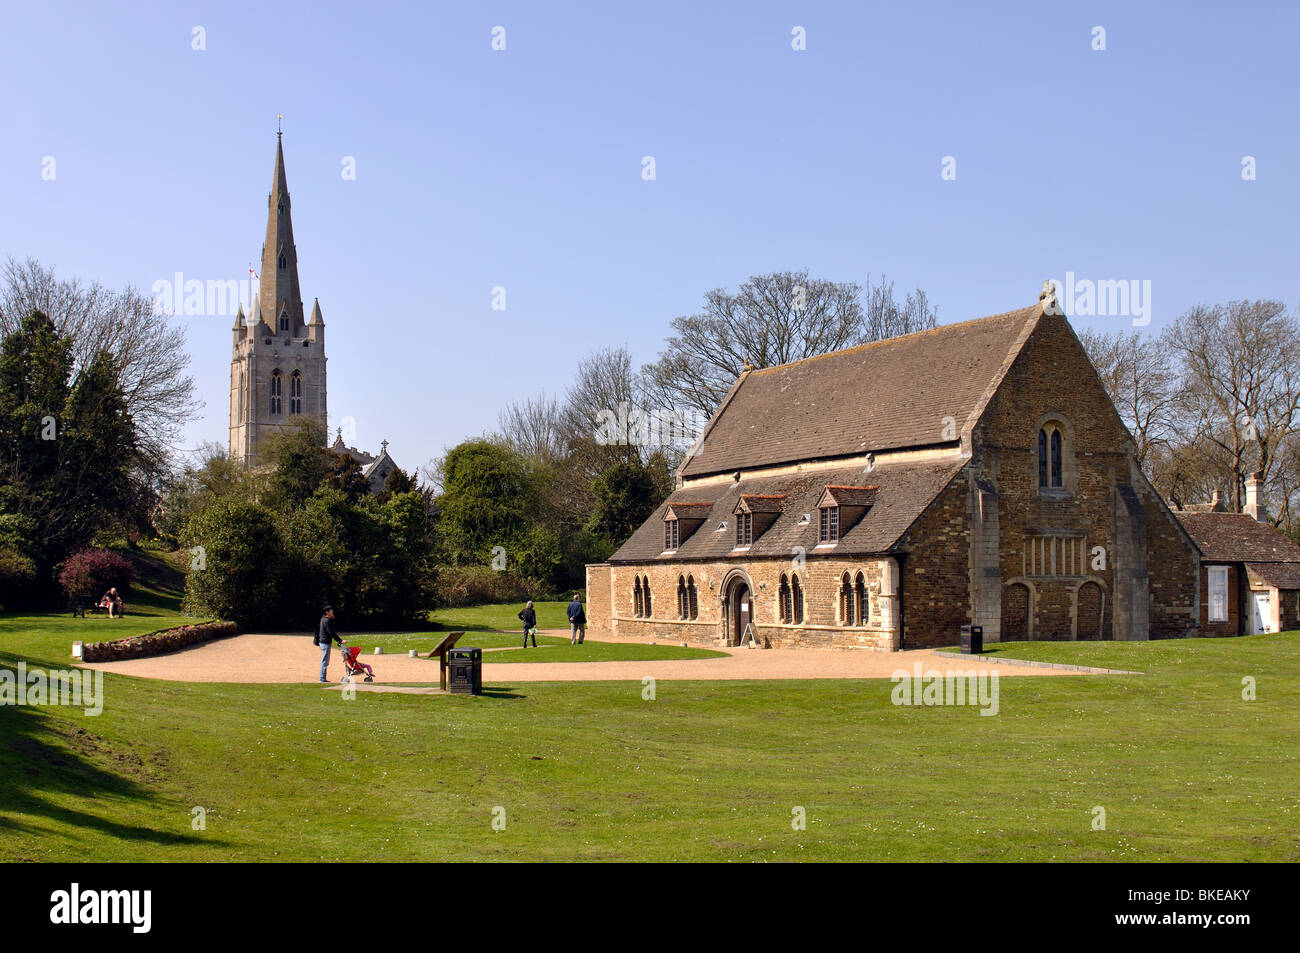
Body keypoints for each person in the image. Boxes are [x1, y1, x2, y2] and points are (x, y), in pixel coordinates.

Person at [316, 605, 345, 682]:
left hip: (323, 642)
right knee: (325, 661)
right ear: (327, 612)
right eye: (331, 611)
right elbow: (331, 632)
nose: (332, 612)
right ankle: (322, 678)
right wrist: (340, 640)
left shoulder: (323, 619)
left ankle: (323, 678)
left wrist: (331, 619)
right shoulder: (326, 621)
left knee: (325, 661)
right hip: (325, 643)